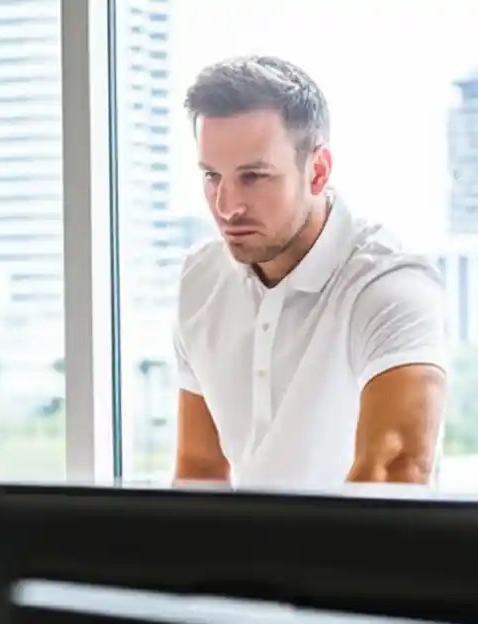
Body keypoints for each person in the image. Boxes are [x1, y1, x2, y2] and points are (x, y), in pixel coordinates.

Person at [173, 55, 448, 490]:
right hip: (240, 537)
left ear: (317, 171)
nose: (227, 206)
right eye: (212, 176)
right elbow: (200, 469)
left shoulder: (390, 285)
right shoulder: (201, 278)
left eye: (254, 176)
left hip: (362, 536)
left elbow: (396, 470)